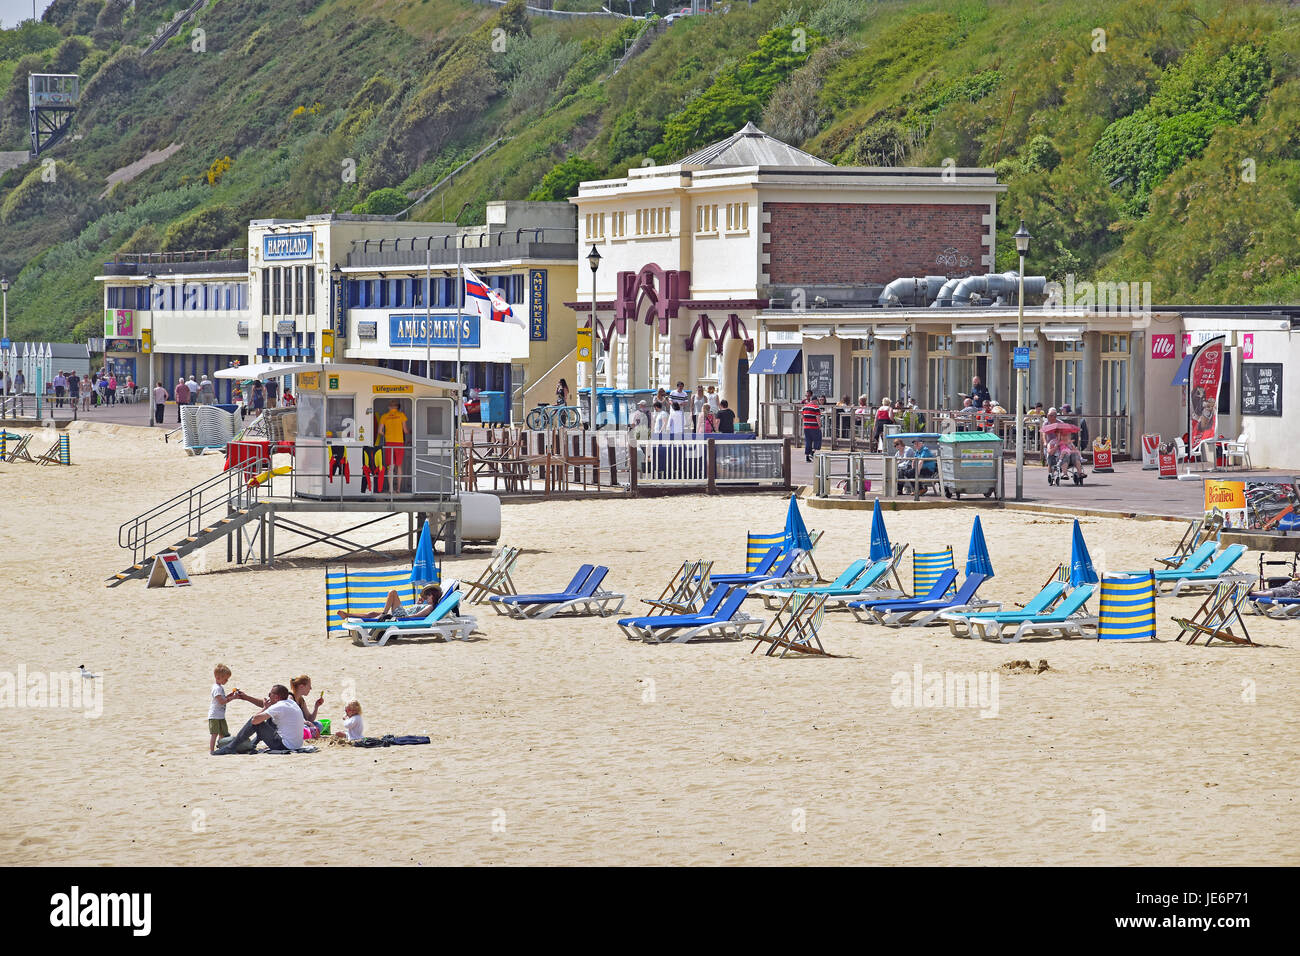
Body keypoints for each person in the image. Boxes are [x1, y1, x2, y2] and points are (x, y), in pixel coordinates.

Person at [212, 684, 304, 754]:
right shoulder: (289, 702)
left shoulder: (279, 706)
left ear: (276, 697)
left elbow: (255, 720)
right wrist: (247, 697)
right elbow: (267, 705)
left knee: (257, 720)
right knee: (268, 717)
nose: (268, 696)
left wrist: (265, 708)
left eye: (270, 694)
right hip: (296, 745)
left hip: (284, 746)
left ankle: (231, 747)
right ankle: (252, 744)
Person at [338, 584, 443, 622]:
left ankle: (384, 614)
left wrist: (404, 618)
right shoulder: (426, 605)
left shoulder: (430, 607)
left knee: (392, 592)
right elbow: (416, 611)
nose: (427, 596)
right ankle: (347, 615)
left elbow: (416, 616)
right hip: (402, 614)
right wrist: (418, 604)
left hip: (403, 616)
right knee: (372, 614)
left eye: (429, 594)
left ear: (433, 596)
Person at [378, 400, 409, 493]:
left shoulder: (384, 416)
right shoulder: (401, 415)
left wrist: (387, 435)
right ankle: (398, 489)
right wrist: (411, 432)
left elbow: (379, 431)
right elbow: (405, 431)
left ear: (389, 407)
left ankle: (391, 489)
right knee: (399, 466)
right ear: (397, 407)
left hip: (389, 443)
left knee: (390, 466)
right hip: (399, 443)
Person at [208, 664, 237, 754]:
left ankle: (221, 748)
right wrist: (233, 698)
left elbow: (223, 698)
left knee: (223, 733)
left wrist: (231, 695)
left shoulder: (220, 687)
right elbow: (221, 701)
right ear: (218, 677)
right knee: (214, 734)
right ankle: (212, 750)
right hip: (215, 715)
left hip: (220, 715)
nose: (227, 681)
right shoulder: (216, 688)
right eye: (225, 679)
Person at [801, 390, 822, 462]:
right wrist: (820, 426)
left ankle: (807, 457)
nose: (817, 402)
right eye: (817, 401)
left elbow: (802, 416)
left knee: (808, 441)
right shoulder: (816, 407)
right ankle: (812, 453)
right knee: (817, 439)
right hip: (814, 427)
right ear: (815, 400)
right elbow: (818, 418)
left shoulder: (805, 407)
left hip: (806, 427)